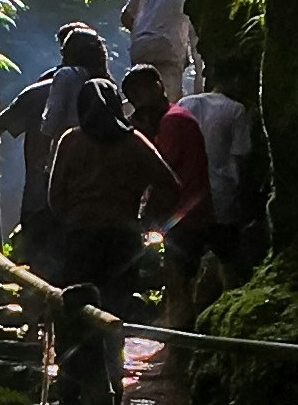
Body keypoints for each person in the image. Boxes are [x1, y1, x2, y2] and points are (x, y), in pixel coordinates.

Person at [0, 23, 111, 275]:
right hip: (97, 182)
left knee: (42, 234)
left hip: (52, 172)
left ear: (66, 52)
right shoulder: (105, 86)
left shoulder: (58, 80)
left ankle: (39, 287)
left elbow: (21, 109)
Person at [44, 74, 182, 304]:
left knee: (81, 303)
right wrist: (148, 218)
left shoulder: (71, 141)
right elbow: (170, 185)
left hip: (80, 236)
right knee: (117, 303)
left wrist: (71, 221)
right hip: (123, 235)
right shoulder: (134, 142)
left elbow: (55, 195)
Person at [121, 63, 212, 321]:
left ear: (158, 86)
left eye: (141, 93)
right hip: (187, 213)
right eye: (133, 97)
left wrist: (146, 216)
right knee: (180, 281)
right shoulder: (173, 119)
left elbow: (161, 172)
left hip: (186, 216)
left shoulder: (173, 122)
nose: (138, 103)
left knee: (178, 281)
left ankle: (177, 346)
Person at [175, 77, 256, 281]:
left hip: (187, 200)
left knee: (184, 269)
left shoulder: (185, 104)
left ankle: (184, 309)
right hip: (223, 199)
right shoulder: (236, 110)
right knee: (229, 263)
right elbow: (241, 157)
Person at [118, 0, 195, 102]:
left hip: (141, 47)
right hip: (168, 49)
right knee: (169, 102)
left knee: (142, 98)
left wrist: (140, 32)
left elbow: (126, 17)